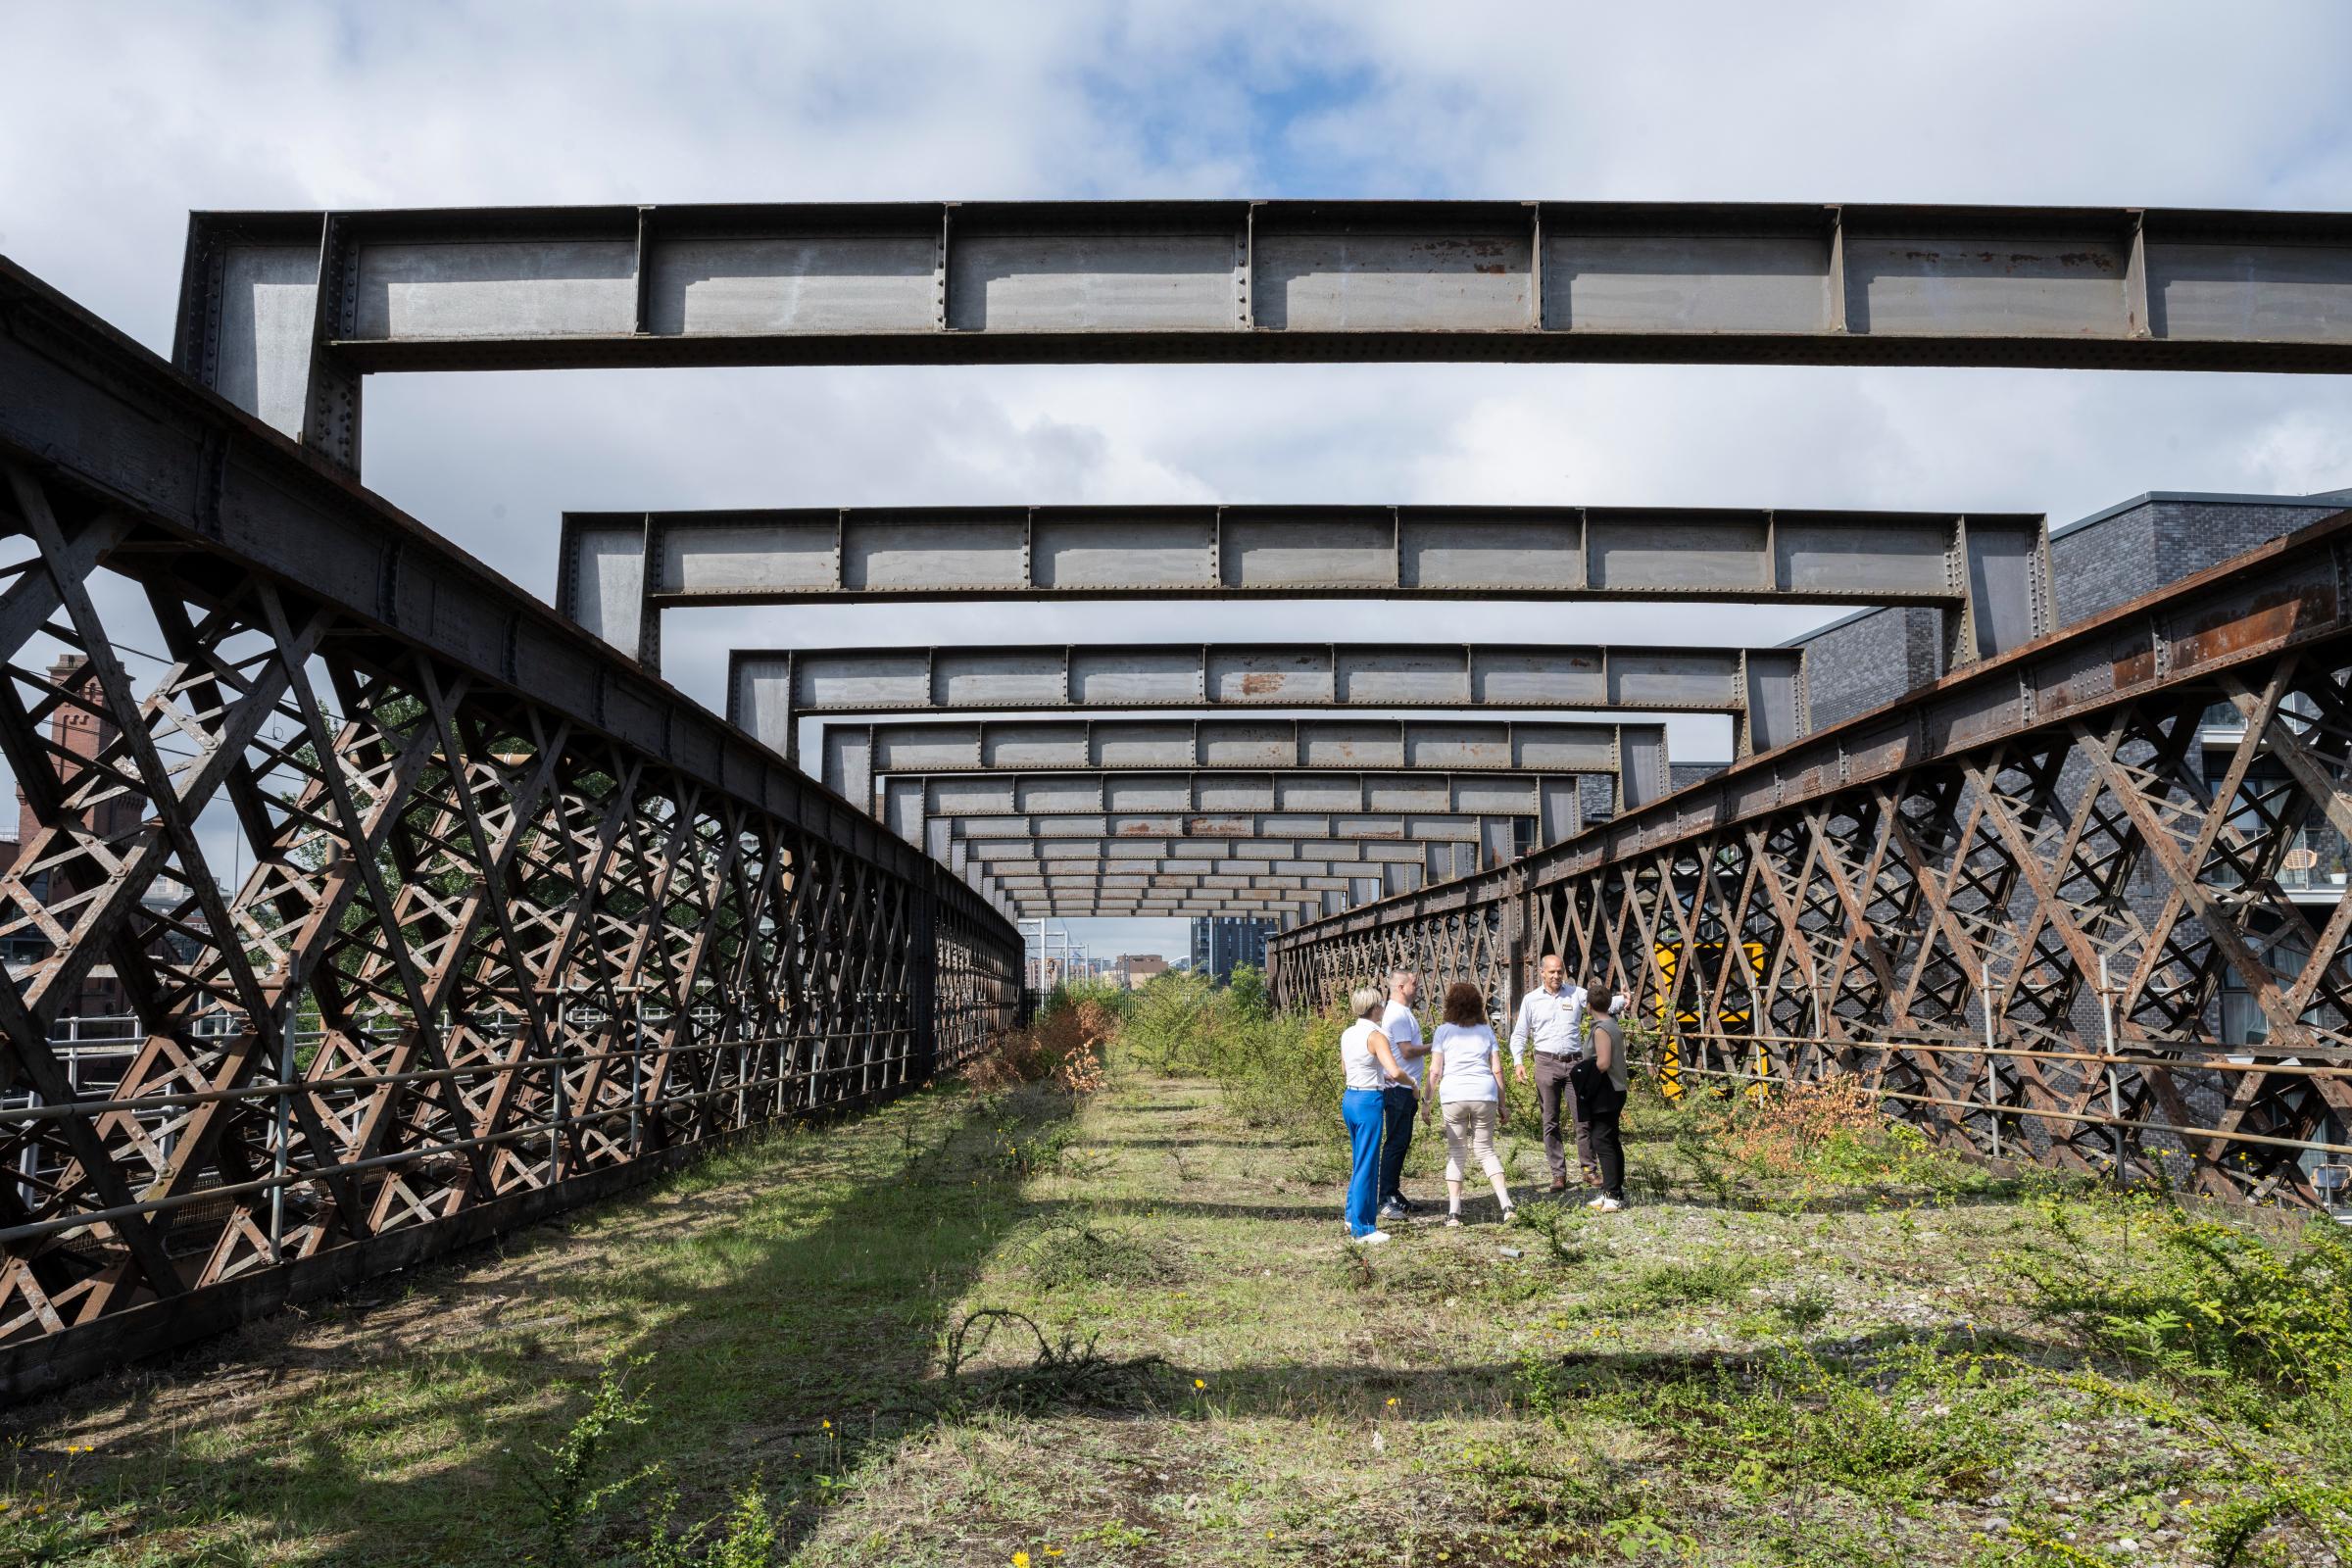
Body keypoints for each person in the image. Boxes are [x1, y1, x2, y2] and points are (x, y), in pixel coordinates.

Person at [1422, 981, 1515, 1226]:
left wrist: (1427, 1102)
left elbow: (1435, 1071)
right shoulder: (1486, 1031)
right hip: (1484, 1093)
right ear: (1477, 1005)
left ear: (1450, 1004)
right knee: (1485, 1150)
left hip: (1453, 1094)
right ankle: (1506, 1205)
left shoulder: (1443, 1031)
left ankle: (1454, 1212)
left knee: (1457, 1151)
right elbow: (1497, 1070)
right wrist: (1503, 1104)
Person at [1508, 954, 1592, 1193]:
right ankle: (1558, 1175)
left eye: (1560, 971)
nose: (1556, 976)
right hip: (1546, 1062)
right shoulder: (1531, 1000)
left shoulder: (1576, 993)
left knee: (1583, 1118)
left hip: (1575, 1063)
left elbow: (1600, 1001)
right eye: (1552, 972)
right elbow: (1520, 1033)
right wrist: (1518, 1061)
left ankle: (1589, 1170)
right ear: (1542, 973)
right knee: (1550, 1121)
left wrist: (1621, 1000)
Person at [1339, 985, 1410, 1245]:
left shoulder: (1348, 1033)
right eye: (1381, 1004)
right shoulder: (1376, 1035)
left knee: (1360, 1161)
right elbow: (1395, 1071)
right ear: (1375, 1008)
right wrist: (1413, 1084)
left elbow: (1345, 1069)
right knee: (1368, 1163)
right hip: (1369, 1100)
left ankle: (1351, 1216)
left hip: (1350, 1098)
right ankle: (1363, 1228)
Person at [1575, 993, 1633, 1211]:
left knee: (1602, 1141)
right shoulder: (1613, 1024)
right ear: (1609, 1004)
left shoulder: (1601, 1029)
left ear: (1589, 1006)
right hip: (1615, 1088)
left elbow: (1603, 1063)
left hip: (1607, 1090)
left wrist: (1583, 1074)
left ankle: (1613, 1195)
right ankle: (1611, 1191)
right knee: (1610, 1140)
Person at [1377, 969, 1426, 1219]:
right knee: (1396, 1143)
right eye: (1413, 983)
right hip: (1399, 1090)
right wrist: (1437, 1046)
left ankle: (1393, 1192)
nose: (1417, 987)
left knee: (1401, 1142)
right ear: (1400, 987)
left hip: (1405, 1089)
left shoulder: (1402, 1012)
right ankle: (1386, 1196)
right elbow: (1406, 1051)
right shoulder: (1397, 1014)